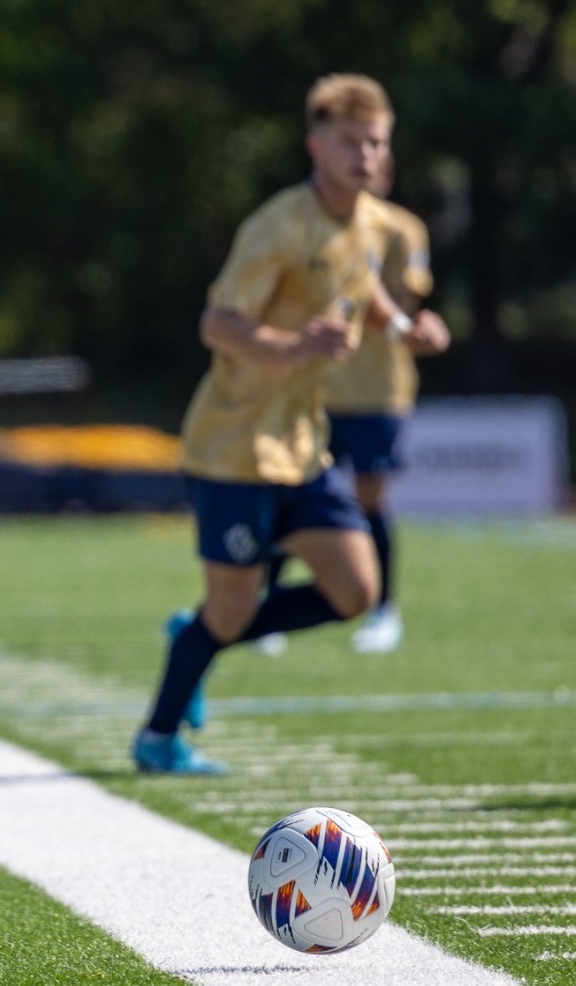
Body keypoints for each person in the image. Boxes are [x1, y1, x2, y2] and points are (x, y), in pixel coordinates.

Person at [135, 74, 448, 774]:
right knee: (233, 613)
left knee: (355, 591)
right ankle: (158, 737)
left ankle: (200, 634)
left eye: (376, 143)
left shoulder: (371, 223)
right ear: (316, 145)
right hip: (234, 446)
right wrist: (297, 346)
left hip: (304, 445)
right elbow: (216, 323)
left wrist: (405, 327)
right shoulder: (278, 226)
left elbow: (361, 292)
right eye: (350, 142)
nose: (364, 156)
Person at [254, 154, 448, 656]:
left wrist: (406, 323)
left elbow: (398, 304)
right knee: (290, 494)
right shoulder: (304, 223)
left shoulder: (400, 229)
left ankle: (384, 609)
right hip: (315, 388)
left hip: (376, 390)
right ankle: (265, 606)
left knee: (370, 500)